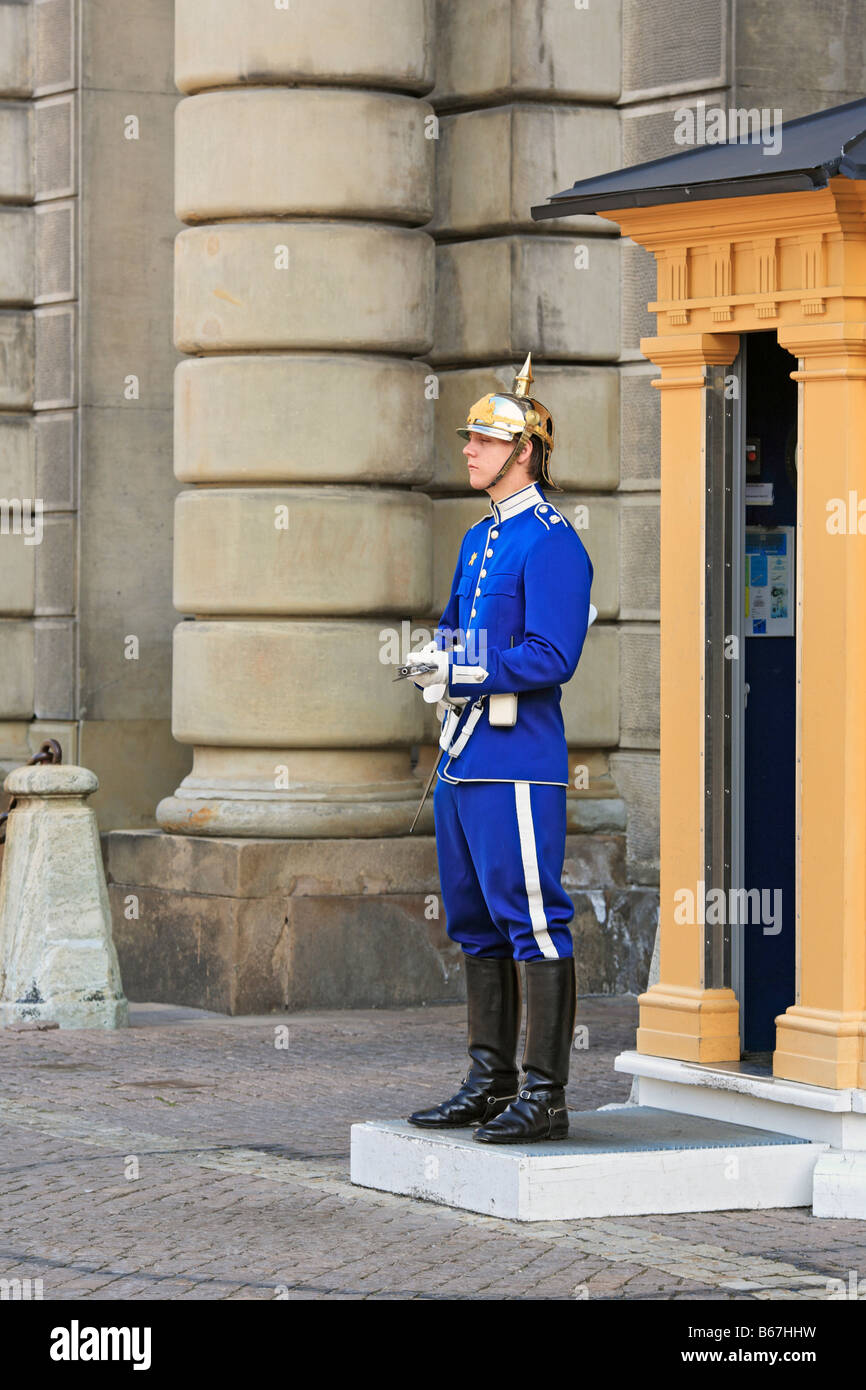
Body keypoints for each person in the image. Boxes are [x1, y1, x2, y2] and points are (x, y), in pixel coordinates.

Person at [401, 354, 596, 1143]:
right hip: (466, 753)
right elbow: (458, 622)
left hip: (517, 758)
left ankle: (546, 1095)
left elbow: (553, 655)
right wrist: (436, 659)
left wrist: (464, 667)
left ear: (525, 451)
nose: (469, 451)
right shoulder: (481, 539)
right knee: (475, 921)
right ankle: (491, 1079)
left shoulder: (549, 540)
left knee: (534, 922)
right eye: (471, 439)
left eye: (484, 442)